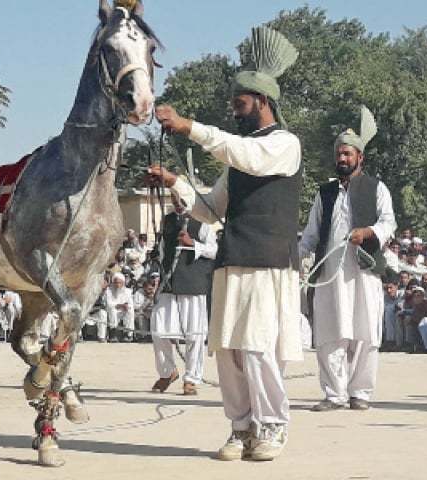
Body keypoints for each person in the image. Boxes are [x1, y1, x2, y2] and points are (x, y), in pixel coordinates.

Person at [148, 26, 302, 461]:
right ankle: (240, 428)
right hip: (232, 261)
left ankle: (272, 425)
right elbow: (210, 207)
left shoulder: (285, 145)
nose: (235, 112)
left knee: (256, 347)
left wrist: (190, 127)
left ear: (263, 102)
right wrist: (174, 180)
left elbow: (245, 155)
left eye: (240, 104)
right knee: (228, 351)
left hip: (267, 263)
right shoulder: (238, 154)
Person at [299, 104, 396, 413]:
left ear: (359, 158)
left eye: (347, 154)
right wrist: (292, 258)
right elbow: (311, 233)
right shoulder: (324, 192)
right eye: (339, 154)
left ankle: (361, 393)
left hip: (364, 270)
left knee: (365, 333)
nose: (342, 159)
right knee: (330, 334)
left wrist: (367, 231)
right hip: (330, 272)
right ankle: (334, 394)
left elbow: (389, 223)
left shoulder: (376, 187)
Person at [150, 199, 217, 396]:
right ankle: (167, 372)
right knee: (158, 330)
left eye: (182, 199)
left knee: (194, 335)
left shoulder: (203, 221)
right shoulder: (168, 220)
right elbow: (162, 250)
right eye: (175, 198)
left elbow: (215, 250)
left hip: (193, 285)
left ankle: (191, 379)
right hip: (169, 284)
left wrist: (193, 244)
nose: (178, 203)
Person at [105, 272, 135, 343]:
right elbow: (109, 304)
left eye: (119, 283)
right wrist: (120, 305)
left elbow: (130, 304)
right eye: (116, 283)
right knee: (112, 310)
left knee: (130, 311)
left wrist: (127, 306)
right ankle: (113, 335)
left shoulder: (128, 291)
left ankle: (127, 335)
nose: (117, 285)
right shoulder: (109, 291)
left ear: (123, 283)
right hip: (112, 311)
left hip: (122, 311)